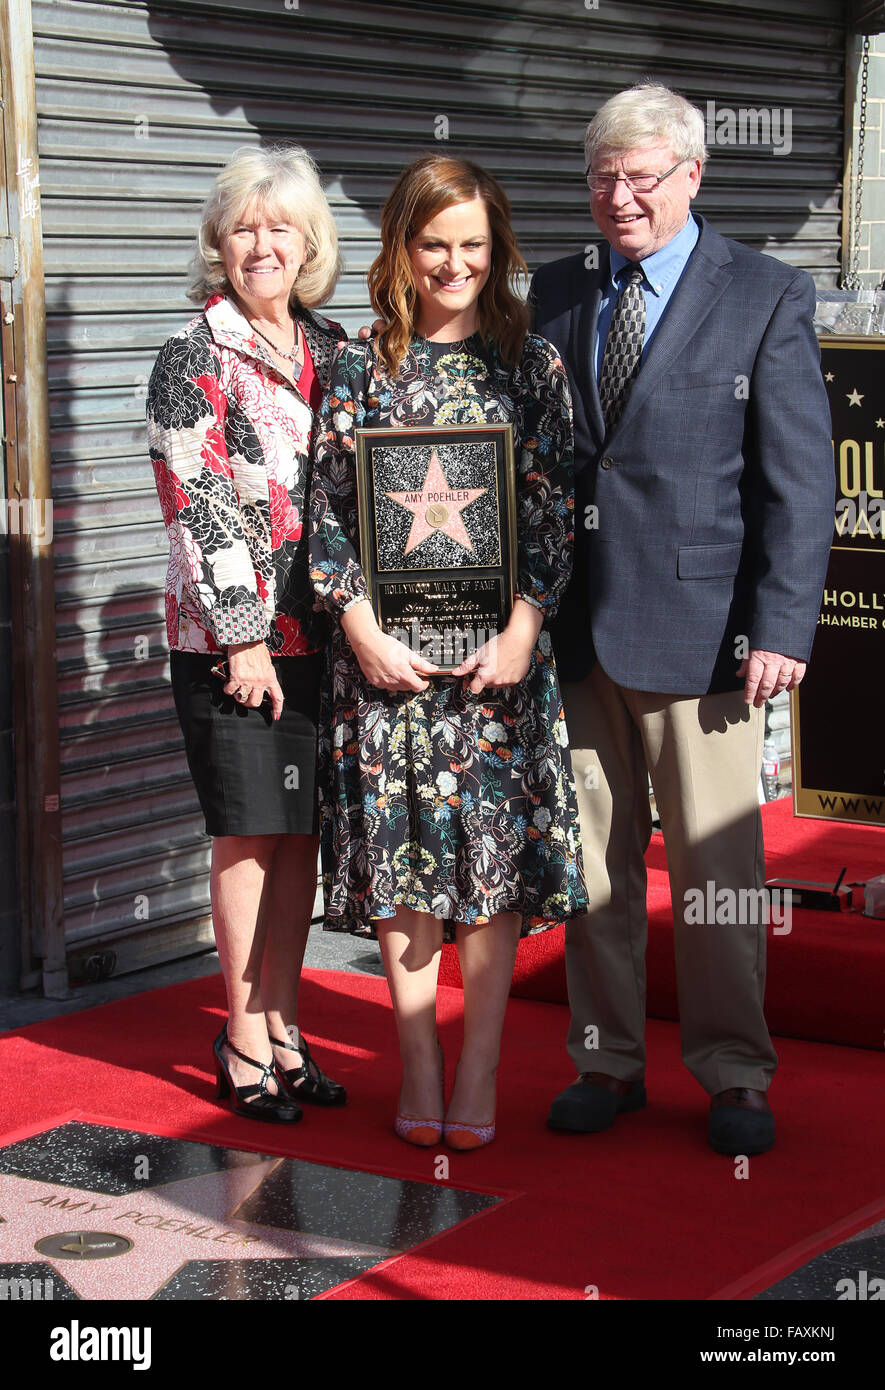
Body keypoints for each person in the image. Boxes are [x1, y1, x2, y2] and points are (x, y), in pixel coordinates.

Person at [531, 84, 834, 1155]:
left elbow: (799, 482)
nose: (620, 196)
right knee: (593, 863)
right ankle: (606, 1061)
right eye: (603, 177)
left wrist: (785, 626)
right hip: (575, 636)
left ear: (693, 176)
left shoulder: (763, 293)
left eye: (643, 176)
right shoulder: (556, 289)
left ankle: (733, 1071)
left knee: (716, 873)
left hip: (708, 639)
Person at [309, 154, 586, 1150]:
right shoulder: (356, 364)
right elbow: (326, 521)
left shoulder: (532, 364)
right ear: (402, 247)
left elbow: (555, 514)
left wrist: (522, 626)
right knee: (401, 863)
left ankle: (479, 1067)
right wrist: (358, 630)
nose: (454, 262)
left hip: (496, 674)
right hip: (384, 672)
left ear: (496, 248)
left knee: (489, 865)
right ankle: (417, 1059)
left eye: (472, 244)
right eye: (435, 243)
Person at [147, 145, 349, 1122]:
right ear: (217, 244)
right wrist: (242, 637)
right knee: (250, 837)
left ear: (310, 240)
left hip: (326, 641)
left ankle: (284, 1024)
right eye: (243, 228)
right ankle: (239, 1036)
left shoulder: (336, 345)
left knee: (299, 836)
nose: (261, 245)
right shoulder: (193, 353)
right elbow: (198, 505)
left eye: (280, 227)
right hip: (238, 646)